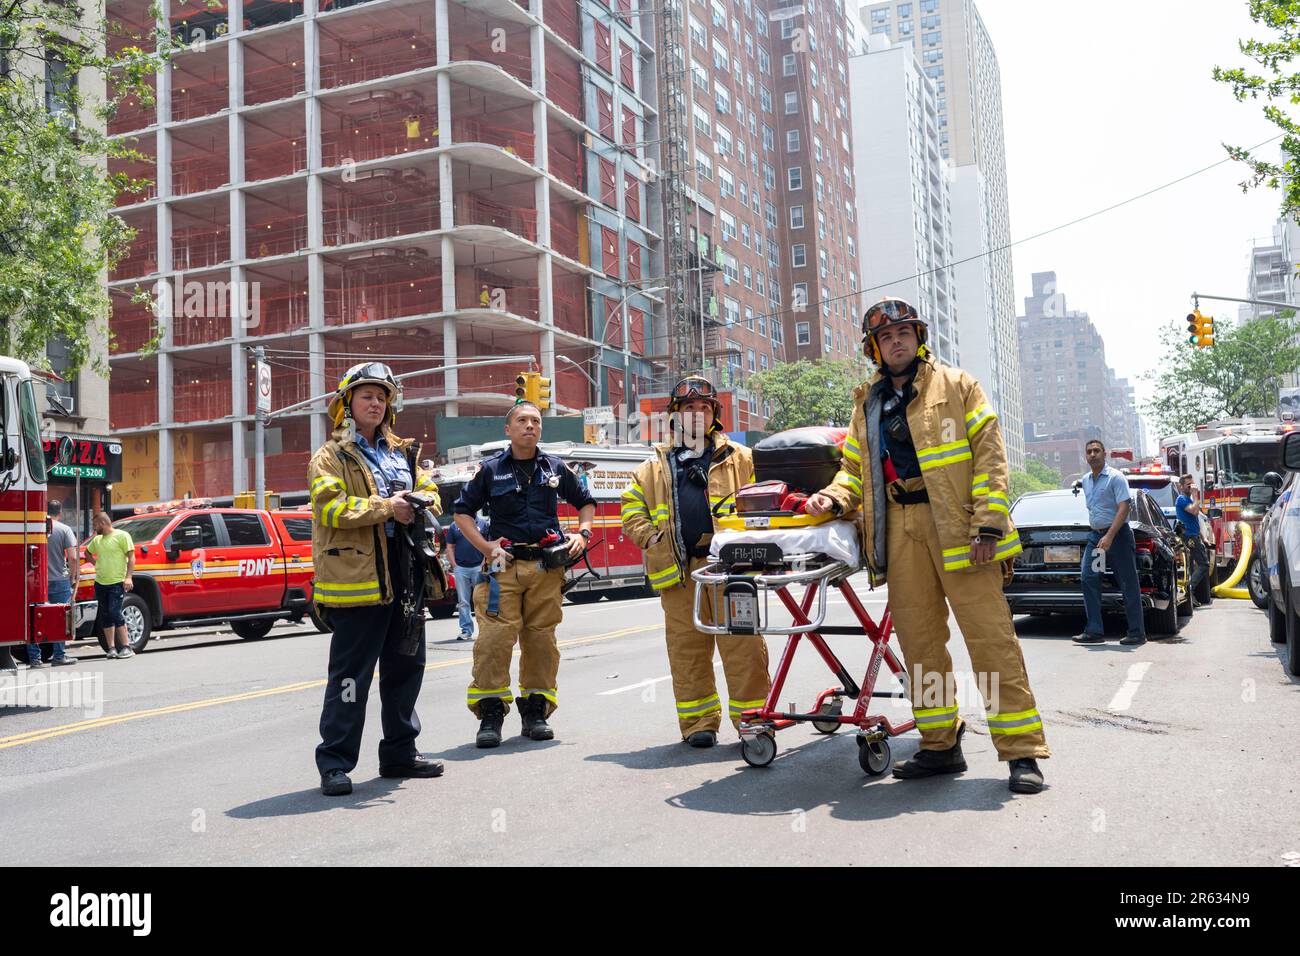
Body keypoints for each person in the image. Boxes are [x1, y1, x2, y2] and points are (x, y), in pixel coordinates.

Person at [805, 297, 1049, 794]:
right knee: (919, 645)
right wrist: (830, 498)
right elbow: (853, 472)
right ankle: (940, 744)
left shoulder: (958, 386)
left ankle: (1022, 753)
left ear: (918, 338)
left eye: (904, 333)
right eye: (885, 337)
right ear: (875, 348)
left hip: (960, 529)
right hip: (900, 527)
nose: (896, 342)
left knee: (990, 641)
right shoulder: (867, 405)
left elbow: (990, 459)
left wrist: (987, 526)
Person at [309, 362, 446, 797]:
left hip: (406, 574)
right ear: (346, 403)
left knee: (406, 668)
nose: (375, 402)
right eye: (366, 395)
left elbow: (434, 493)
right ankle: (334, 762)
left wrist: (422, 499)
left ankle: (400, 752)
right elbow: (330, 508)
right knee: (351, 677)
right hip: (359, 582)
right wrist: (388, 507)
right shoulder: (330, 454)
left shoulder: (403, 451)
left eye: (382, 396)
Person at [620, 376, 770, 747]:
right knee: (687, 651)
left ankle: (752, 720)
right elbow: (630, 509)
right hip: (681, 574)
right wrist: (651, 537)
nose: (697, 414)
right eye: (689, 408)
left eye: (704, 408)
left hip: (733, 570)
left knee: (744, 646)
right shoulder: (653, 467)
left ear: (715, 415)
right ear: (675, 415)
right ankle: (698, 723)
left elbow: (768, 498)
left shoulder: (741, 458)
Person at [452, 401, 596, 748]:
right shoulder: (490, 470)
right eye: (522, 420)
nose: (529, 426)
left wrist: (582, 533)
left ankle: (535, 713)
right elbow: (461, 514)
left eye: (535, 421)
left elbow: (586, 502)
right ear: (508, 429)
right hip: (504, 568)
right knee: (493, 641)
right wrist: (487, 548)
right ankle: (490, 715)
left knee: (541, 641)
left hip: (546, 569)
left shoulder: (556, 467)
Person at [1075, 439, 1145, 647]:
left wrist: (1110, 535)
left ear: (1104, 454)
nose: (1093, 454)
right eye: (1089, 451)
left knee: (1127, 582)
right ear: (1085, 456)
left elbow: (1124, 508)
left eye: (1097, 451)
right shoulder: (1086, 480)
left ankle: (1136, 632)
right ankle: (1094, 630)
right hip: (1096, 538)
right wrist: (1101, 535)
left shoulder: (1116, 477)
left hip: (1118, 537)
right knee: (1089, 578)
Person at [85, 511, 135, 660]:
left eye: (95, 525)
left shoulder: (122, 536)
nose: (94, 529)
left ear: (102, 524)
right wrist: (96, 564)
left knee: (114, 612)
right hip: (100, 582)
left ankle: (126, 646)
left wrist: (129, 577)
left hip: (117, 581)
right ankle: (111, 648)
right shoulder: (97, 540)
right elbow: (87, 553)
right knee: (105, 615)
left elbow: (132, 558)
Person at [38, 500, 80, 667]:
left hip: (38, 582)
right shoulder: (64, 529)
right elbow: (73, 556)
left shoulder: (36, 528)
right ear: (59, 512)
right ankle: (59, 656)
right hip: (60, 580)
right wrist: (72, 575)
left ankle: (35, 659)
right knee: (61, 618)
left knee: (35, 618)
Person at [445, 513, 489, 640]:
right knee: (463, 602)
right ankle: (466, 630)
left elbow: (488, 544)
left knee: (481, 599)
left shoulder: (483, 524)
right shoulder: (455, 525)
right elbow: (450, 547)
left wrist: (483, 563)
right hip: (461, 569)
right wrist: (454, 565)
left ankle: (485, 631)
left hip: (478, 567)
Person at [1175, 473, 1210, 607]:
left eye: (1192, 484)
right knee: (1204, 564)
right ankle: (1190, 589)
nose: (1191, 487)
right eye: (1188, 485)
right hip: (1188, 537)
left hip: (1193, 536)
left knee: (1189, 568)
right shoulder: (1182, 499)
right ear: (1181, 486)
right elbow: (1194, 512)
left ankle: (1189, 595)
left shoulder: (1189, 500)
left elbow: (1196, 521)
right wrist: (1196, 495)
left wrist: (1204, 538)